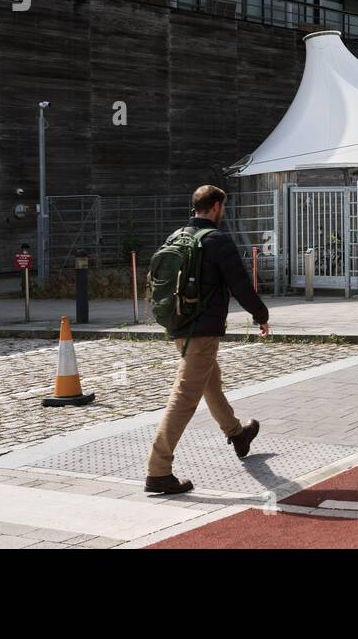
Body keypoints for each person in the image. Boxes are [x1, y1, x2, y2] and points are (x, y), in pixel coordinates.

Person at [145, 185, 269, 495]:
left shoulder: (176, 236)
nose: (223, 212)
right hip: (202, 330)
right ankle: (158, 470)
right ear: (215, 207)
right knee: (184, 396)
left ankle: (237, 433)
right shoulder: (217, 240)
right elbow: (240, 285)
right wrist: (261, 315)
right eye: (222, 207)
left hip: (178, 325)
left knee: (210, 382)